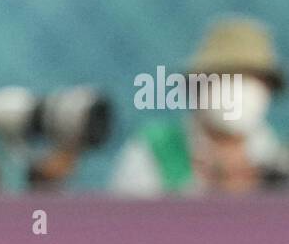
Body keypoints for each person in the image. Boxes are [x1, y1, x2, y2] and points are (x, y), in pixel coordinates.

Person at [111, 17, 286, 196]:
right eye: (225, 76)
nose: (237, 89)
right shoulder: (153, 150)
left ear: (268, 88)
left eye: (250, 77)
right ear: (197, 86)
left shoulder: (280, 160)